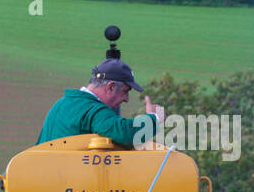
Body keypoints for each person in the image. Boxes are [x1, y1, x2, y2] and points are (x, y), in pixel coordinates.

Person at [36, 58, 164, 148]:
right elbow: (125, 133)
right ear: (111, 87)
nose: (126, 99)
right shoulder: (93, 110)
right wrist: (154, 118)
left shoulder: (62, 104)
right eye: (125, 91)